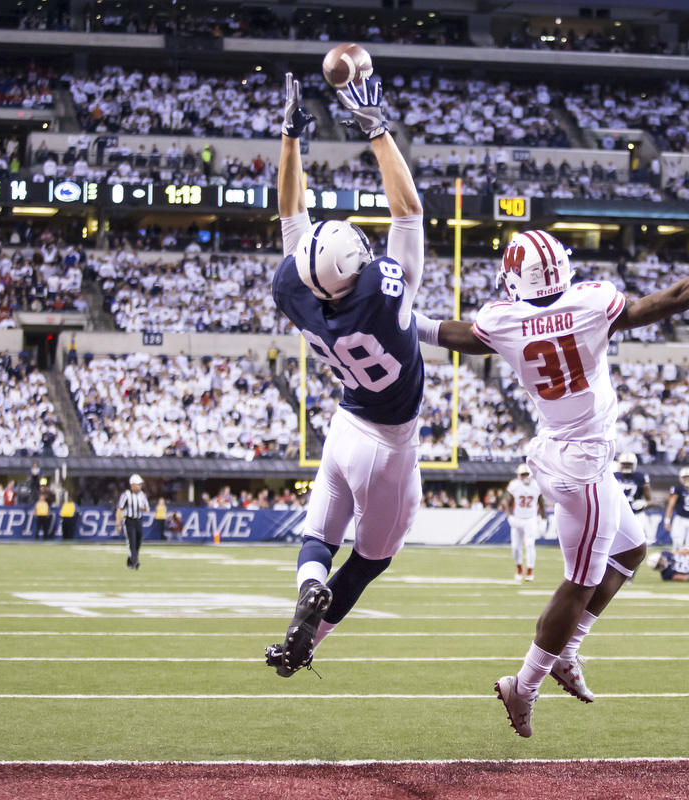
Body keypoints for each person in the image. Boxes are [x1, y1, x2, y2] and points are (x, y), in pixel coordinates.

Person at [416, 228, 689, 736]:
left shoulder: (503, 320)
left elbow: (449, 334)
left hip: (558, 450)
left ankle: (567, 650)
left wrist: (397, 317)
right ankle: (524, 686)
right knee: (580, 581)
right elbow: (674, 299)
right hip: (584, 464)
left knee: (633, 549)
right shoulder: (591, 303)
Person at [263, 72, 427, 680]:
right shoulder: (385, 294)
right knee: (367, 561)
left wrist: (290, 139)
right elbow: (407, 209)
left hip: (344, 428)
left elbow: (291, 214)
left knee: (319, 537)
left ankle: (306, 596)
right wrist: (376, 128)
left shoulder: (295, 289)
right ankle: (313, 639)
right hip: (388, 447)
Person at [505, 463, 546, 582]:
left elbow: (541, 504)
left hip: (531, 519)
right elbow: (508, 503)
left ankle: (529, 571)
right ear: (518, 475)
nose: (525, 477)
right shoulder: (514, 485)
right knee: (515, 548)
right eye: (523, 475)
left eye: (527, 474)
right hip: (517, 518)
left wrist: (543, 520)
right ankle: (519, 568)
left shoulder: (536, 485)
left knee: (529, 544)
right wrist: (510, 516)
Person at [664, 467, 689, 551]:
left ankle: (687, 563)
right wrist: (667, 520)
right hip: (680, 519)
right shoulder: (677, 489)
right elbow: (671, 505)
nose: (687, 479)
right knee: (677, 542)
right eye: (685, 477)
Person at [117, 474, 149, 569]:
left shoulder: (142, 495)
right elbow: (120, 509)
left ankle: (130, 562)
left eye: (140, 484)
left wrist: (143, 508)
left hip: (139, 520)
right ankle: (136, 562)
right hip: (129, 520)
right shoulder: (126, 495)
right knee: (132, 541)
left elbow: (147, 508)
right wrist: (118, 523)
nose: (140, 486)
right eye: (138, 484)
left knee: (138, 542)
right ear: (132, 485)